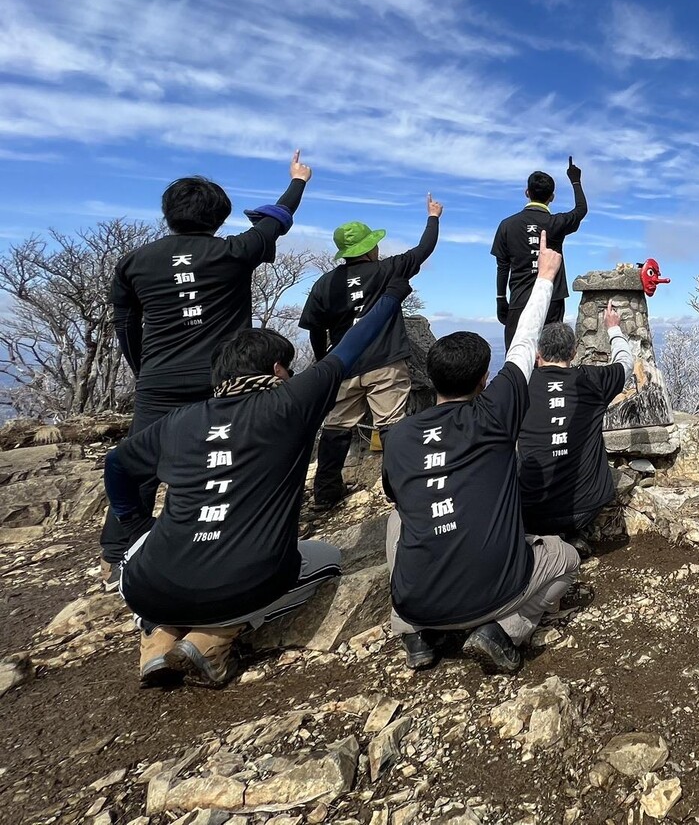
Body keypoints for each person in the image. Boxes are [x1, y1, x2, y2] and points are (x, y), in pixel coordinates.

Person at [105, 272, 414, 688]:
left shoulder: (179, 421)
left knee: (144, 553)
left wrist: (133, 521)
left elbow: (117, 465)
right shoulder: (290, 402)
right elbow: (354, 343)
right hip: (242, 586)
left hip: (150, 587)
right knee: (328, 560)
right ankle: (213, 638)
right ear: (277, 369)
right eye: (288, 368)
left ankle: (158, 638)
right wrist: (392, 293)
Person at [103, 150, 312, 584]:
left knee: (139, 463)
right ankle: (233, 538)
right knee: (235, 456)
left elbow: (125, 326)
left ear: (168, 214)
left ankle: (119, 555)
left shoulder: (135, 263)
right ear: (219, 216)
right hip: (228, 381)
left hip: (159, 379)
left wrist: (144, 369)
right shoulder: (234, 251)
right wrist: (298, 180)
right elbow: (279, 218)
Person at [383, 232, 581, 673]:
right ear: (483, 380)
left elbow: (399, 496)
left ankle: (411, 632)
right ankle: (505, 630)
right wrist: (545, 277)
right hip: (495, 593)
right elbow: (524, 344)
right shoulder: (494, 413)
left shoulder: (399, 436)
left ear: (432, 377)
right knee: (566, 558)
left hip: (417, 602)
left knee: (400, 516)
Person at [299, 194, 444, 509]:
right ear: (368, 249)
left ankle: (326, 493)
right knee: (391, 424)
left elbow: (314, 327)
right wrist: (433, 217)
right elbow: (424, 249)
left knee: (336, 426)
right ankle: (396, 489)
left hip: (344, 365)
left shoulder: (325, 283)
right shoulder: (388, 269)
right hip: (385, 362)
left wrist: (325, 361)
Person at [517, 303, 634, 545]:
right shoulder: (593, 379)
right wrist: (613, 328)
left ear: (538, 353)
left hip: (530, 510)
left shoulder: (519, 387)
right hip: (585, 508)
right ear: (573, 352)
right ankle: (571, 537)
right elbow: (626, 363)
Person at [492, 157, 588, 348]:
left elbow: (502, 266)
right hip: (552, 300)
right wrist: (575, 181)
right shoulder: (556, 223)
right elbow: (581, 210)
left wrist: (501, 299)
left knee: (517, 355)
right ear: (552, 197)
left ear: (527, 193)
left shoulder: (507, 225)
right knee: (551, 355)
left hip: (520, 299)